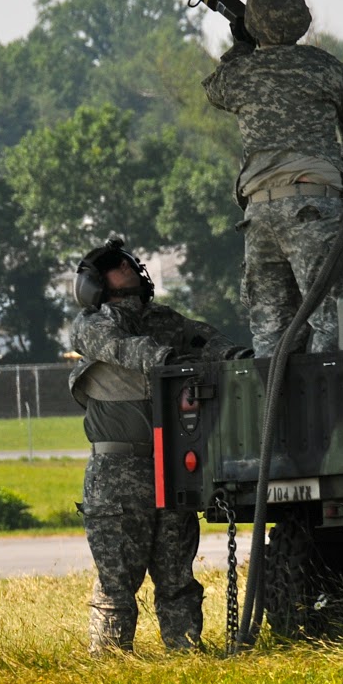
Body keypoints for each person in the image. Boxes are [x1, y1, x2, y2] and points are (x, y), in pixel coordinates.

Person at [67, 238, 251, 654]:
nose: (128, 270)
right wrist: (167, 359)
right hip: (117, 476)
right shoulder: (91, 325)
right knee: (117, 582)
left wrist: (240, 356)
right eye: (116, 267)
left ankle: (185, 655)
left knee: (177, 578)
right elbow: (120, 347)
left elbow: (207, 340)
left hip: (171, 468)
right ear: (96, 285)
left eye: (129, 264)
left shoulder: (165, 321)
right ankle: (112, 664)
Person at [202, 0, 343, 356]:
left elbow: (215, 88)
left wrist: (240, 48)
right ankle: (333, 408)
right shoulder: (325, 68)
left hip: (259, 217)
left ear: (252, 23)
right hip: (315, 210)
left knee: (271, 332)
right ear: (304, 18)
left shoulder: (241, 74)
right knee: (336, 320)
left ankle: (275, 409)